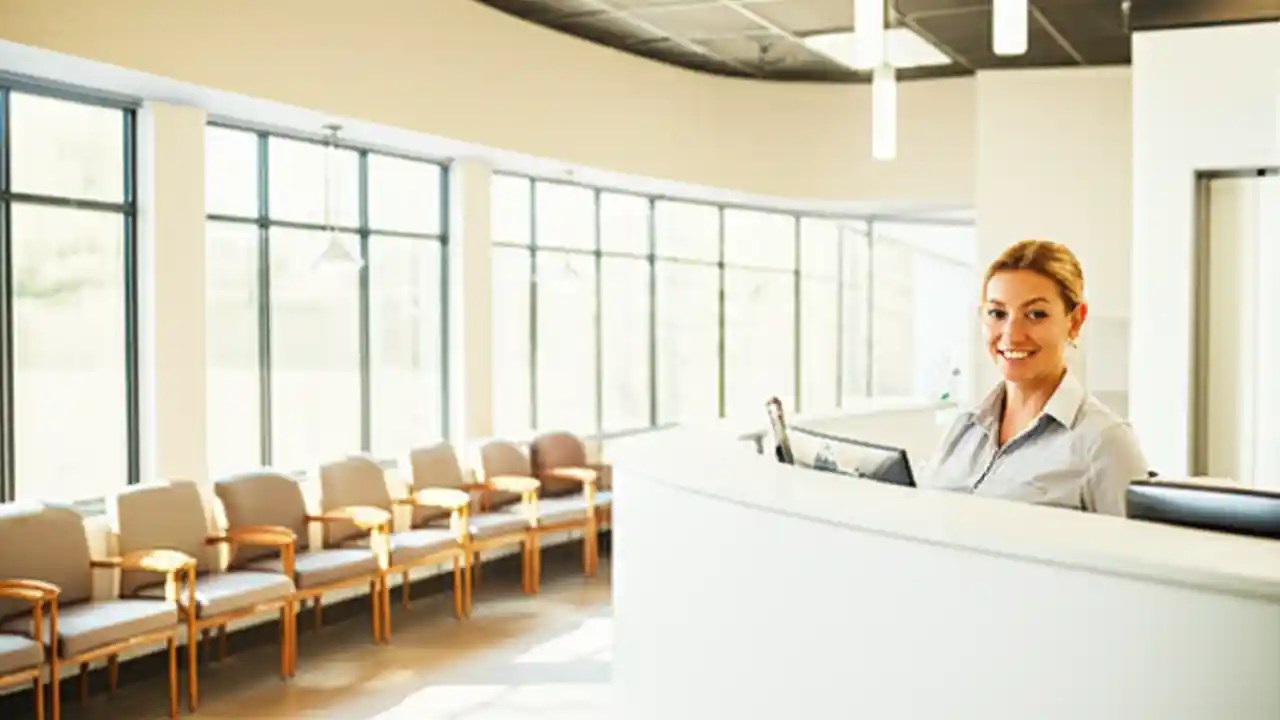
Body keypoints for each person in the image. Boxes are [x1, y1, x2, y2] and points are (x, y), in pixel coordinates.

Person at [929, 239, 1147, 516]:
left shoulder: (1104, 442)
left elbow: (1135, 554)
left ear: (1075, 320)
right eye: (997, 313)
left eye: (1035, 314)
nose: (1011, 334)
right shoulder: (963, 429)